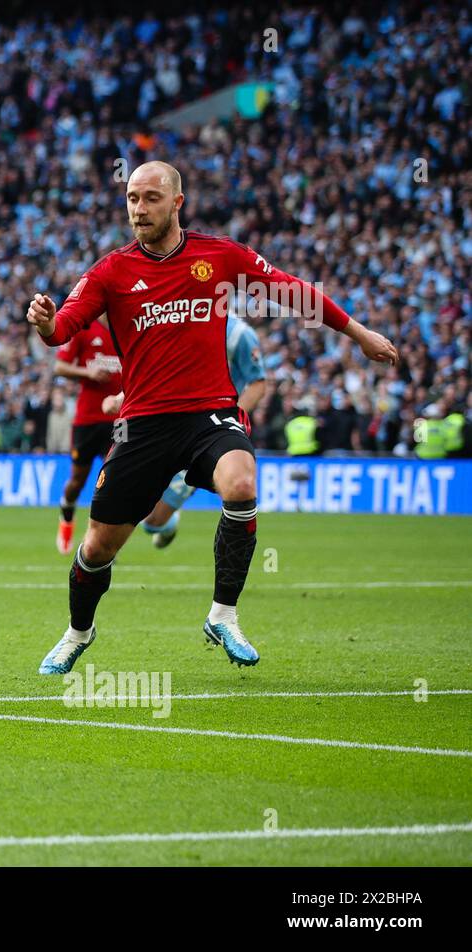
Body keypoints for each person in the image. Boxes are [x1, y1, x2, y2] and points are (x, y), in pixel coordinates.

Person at [25, 160, 398, 674]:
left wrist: (357, 332)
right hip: (144, 425)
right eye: (132, 198)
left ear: (177, 202)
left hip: (209, 416)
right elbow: (63, 328)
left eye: (151, 198)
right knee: (97, 548)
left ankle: (223, 614)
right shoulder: (111, 271)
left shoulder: (219, 257)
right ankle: (77, 632)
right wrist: (46, 324)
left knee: (242, 483)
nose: (139, 208)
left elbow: (292, 289)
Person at [101, 313, 266, 548]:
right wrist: (121, 398)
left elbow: (258, 383)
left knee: (154, 521)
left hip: (208, 436)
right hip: (166, 426)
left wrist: (227, 422)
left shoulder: (240, 335)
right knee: (146, 517)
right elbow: (155, 373)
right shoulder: (177, 321)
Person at [53, 318, 122, 553]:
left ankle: (101, 543)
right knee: (77, 481)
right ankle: (67, 515)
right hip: (87, 420)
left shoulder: (127, 324)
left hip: (119, 419)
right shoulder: (84, 328)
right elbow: (59, 367)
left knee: (113, 481)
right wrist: (87, 372)